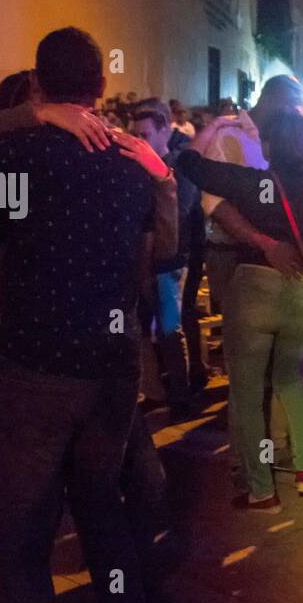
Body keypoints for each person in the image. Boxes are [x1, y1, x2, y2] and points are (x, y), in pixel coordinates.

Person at [0, 27, 163, 603]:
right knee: (103, 509)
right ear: (101, 87)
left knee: (20, 535)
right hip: (108, 366)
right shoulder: (134, 164)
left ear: (35, 87)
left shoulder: (12, 152)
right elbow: (145, 264)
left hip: (33, 369)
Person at [175, 110, 303, 509]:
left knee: (248, 393)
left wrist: (214, 126)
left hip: (255, 289)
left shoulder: (254, 183)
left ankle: (261, 488)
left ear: (267, 145)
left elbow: (186, 162)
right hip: (300, 289)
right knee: (290, 383)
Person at [195, 75, 303, 316]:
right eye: (294, 106)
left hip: (272, 254)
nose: (296, 114)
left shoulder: (278, 139)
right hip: (234, 255)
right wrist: (265, 243)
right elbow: (215, 203)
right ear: (273, 99)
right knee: (244, 338)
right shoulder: (230, 135)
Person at [129, 98, 200, 418]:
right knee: (145, 327)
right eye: (135, 134)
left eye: (143, 135)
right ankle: (156, 392)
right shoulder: (138, 167)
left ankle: (181, 395)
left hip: (169, 263)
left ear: (163, 130)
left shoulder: (179, 168)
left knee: (171, 328)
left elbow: (180, 214)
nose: (138, 141)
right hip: (145, 259)